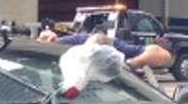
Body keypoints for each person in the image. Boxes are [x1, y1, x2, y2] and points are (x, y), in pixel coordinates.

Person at [38, 25, 171, 72]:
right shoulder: (76, 42)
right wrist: (46, 39)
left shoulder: (116, 47)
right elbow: (40, 47)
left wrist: (131, 64)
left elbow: (163, 55)